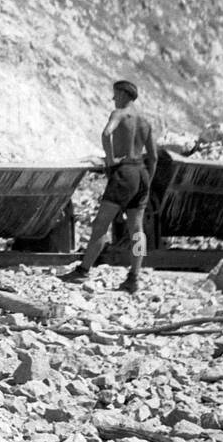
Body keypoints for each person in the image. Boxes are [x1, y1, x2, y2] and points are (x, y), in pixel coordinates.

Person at [61, 79, 157, 294]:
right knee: (137, 230)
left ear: (123, 94)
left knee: (101, 224)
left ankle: (83, 270)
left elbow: (106, 134)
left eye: (115, 94)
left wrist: (110, 161)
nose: (113, 99)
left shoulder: (120, 114)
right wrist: (147, 181)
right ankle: (134, 277)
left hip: (124, 173)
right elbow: (154, 156)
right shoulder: (145, 121)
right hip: (142, 174)